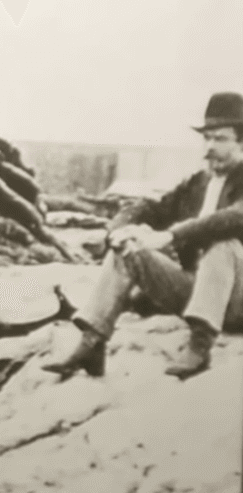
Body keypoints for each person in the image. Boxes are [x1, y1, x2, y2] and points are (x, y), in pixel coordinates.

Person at [43, 92, 243, 380]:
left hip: (237, 299)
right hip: (195, 292)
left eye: (220, 139)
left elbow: (233, 218)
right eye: (207, 138)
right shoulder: (199, 183)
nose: (210, 147)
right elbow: (152, 207)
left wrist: (170, 236)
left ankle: (200, 347)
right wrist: (118, 230)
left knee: (224, 244)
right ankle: (92, 344)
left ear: (241, 141)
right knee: (128, 248)